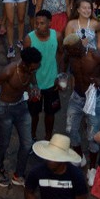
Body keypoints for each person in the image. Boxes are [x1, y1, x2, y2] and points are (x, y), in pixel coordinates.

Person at [63, 34, 100, 171]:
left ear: (78, 46)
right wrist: (62, 76)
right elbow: (64, 61)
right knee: (71, 130)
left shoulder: (95, 55)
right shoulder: (71, 55)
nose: (69, 53)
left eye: (70, 50)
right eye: (68, 51)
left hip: (94, 99)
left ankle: (92, 169)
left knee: (93, 136)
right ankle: (79, 157)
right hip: (76, 97)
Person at [0, 45, 41, 187]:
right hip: (4, 109)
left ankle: (19, 174)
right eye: (33, 68)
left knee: (27, 143)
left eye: (36, 67)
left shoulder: (31, 69)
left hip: (21, 106)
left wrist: (34, 88)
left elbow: (32, 80)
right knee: (4, 142)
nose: (35, 70)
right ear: (24, 64)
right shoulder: (9, 71)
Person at [24, 133, 88, 199]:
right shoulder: (37, 172)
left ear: (62, 159)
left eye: (54, 157)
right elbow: (28, 193)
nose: (49, 160)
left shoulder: (77, 176)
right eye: (48, 155)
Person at [24, 10, 63, 139]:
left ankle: (48, 138)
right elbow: (25, 64)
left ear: (49, 23)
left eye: (42, 23)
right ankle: (32, 137)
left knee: (50, 113)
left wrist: (60, 76)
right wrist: (32, 85)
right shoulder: (29, 39)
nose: (38, 26)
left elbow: (61, 54)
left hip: (52, 83)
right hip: (35, 85)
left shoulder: (57, 36)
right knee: (34, 114)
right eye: (36, 23)